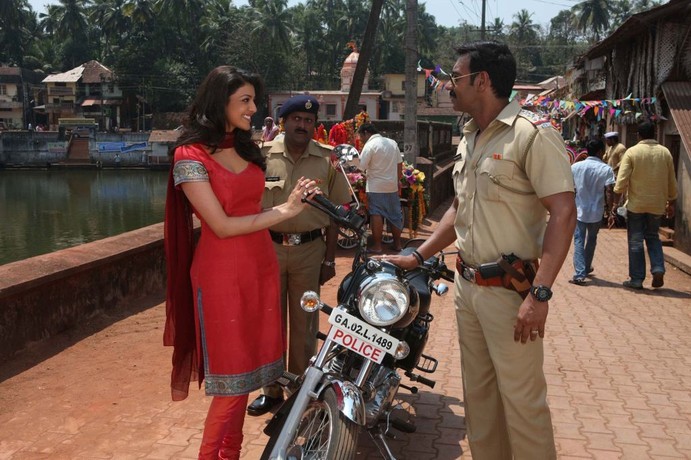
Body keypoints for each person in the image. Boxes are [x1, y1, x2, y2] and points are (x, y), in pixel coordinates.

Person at [383, 41, 575, 459]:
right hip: (467, 288)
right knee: (480, 403)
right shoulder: (470, 136)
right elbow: (458, 207)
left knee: (522, 405)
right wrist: (418, 255)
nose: (448, 85)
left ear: (482, 81)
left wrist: (540, 294)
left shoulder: (532, 135)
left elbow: (563, 213)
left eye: (456, 77)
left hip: (511, 293)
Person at [163, 66, 319, 459]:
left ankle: (229, 454)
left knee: (245, 381)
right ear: (220, 102)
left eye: (254, 100)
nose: (253, 108)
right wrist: (285, 210)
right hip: (221, 274)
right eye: (245, 101)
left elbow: (250, 209)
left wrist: (288, 206)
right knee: (230, 387)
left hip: (261, 268)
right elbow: (220, 225)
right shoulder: (189, 155)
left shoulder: (247, 149)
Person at [248, 94, 352, 416]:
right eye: (296, 119)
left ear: (314, 125)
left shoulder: (327, 159)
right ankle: (271, 390)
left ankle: (298, 391)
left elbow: (336, 213)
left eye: (308, 121)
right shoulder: (263, 156)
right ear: (284, 122)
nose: (302, 125)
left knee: (305, 325)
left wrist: (330, 259)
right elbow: (249, 207)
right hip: (269, 249)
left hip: (310, 250)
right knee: (270, 322)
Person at [612, 120, 677, 290]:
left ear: (638, 135)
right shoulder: (665, 152)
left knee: (636, 241)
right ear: (654, 134)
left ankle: (636, 279)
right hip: (657, 205)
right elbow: (671, 180)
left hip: (636, 205)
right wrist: (671, 202)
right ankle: (658, 268)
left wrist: (615, 202)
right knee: (653, 237)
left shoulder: (632, 152)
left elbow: (621, 181)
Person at [569, 139, 615, 286]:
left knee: (578, 240)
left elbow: (569, 188)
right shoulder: (606, 169)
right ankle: (586, 267)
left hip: (579, 210)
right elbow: (609, 191)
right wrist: (611, 210)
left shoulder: (575, 167)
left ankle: (580, 273)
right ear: (600, 152)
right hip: (596, 212)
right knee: (592, 239)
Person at [356, 122, 404, 252]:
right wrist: (396, 180)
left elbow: (361, 166)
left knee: (376, 214)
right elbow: (399, 165)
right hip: (391, 187)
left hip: (375, 187)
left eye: (361, 136)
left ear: (366, 133)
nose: (361, 139)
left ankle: (377, 246)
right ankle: (397, 244)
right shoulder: (392, 143)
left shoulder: (370, 145)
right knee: (395, 215)